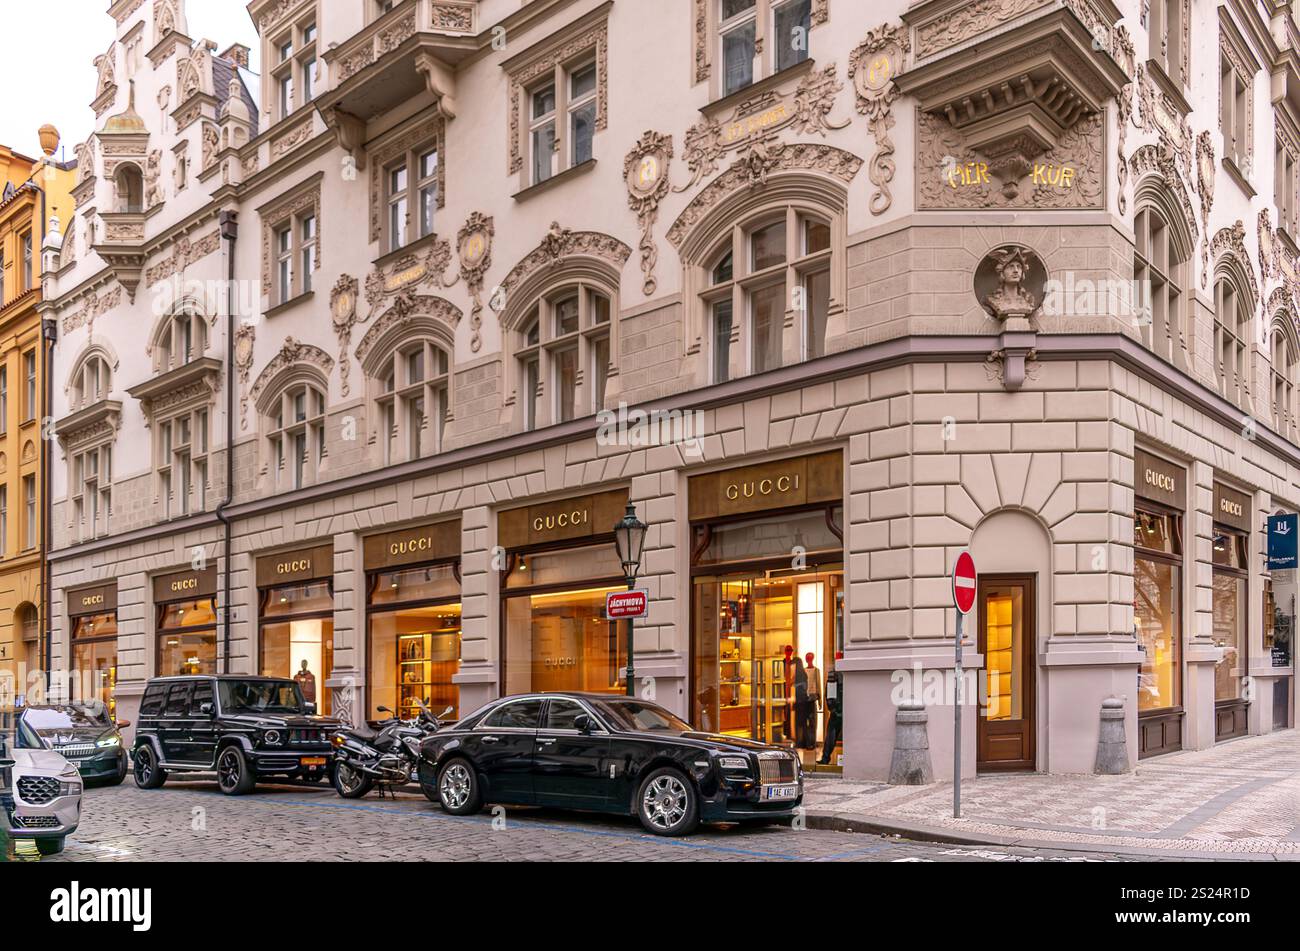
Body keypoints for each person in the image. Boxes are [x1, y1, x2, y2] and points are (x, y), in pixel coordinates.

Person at [819, 657, 843, 765]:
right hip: (841, 709)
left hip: (838, 710)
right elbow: (830, 692)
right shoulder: (841, 674)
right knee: (831, 735)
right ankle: (825, 758)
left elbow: (830, 693)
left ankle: (825, 758)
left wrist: (832, 708)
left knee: (831, 734)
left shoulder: (834, 674)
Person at [792, 654, 812, 751]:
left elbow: (803, 687)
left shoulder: (800, 675)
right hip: (802, 702)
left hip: (801, 702)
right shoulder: (802, 673)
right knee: (803, 724)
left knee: (801, 724)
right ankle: (805, 743)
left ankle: (803, 743)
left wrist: (795, 686)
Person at [803, 652, 822, 750]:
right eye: (807, 658)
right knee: (806, 722)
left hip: (813, 698)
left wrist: (820, 701)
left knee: (813, 722)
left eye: (810, 658)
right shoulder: (803, 671)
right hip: (804, 699)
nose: (808, 660)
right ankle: (807, 743)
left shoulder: (816, 670)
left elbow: (819, 685)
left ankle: (812, 742)